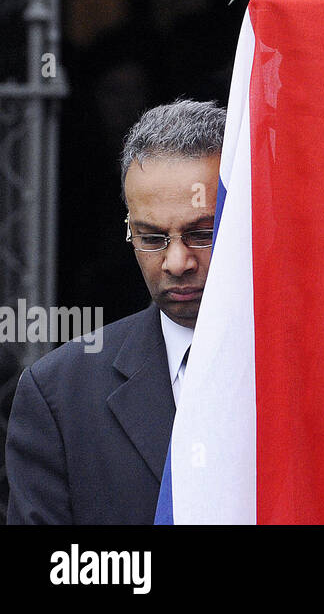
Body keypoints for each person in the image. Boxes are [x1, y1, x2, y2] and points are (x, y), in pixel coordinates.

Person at [6, 99, 225, 524]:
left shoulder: (321, 373)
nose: (176, 263)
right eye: (151, 237)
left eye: (201, 233)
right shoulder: (59, 394)